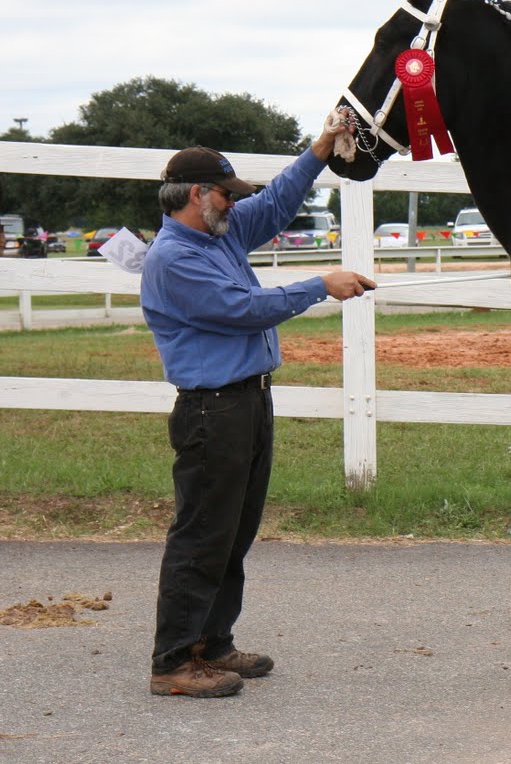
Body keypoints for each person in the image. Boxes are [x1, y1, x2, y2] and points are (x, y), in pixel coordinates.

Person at [141, 121, 375, 698]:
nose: (235, 202)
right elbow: (243, 308)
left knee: (233, 531)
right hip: (212, 411)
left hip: (244, 402)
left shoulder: (217, 232)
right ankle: (172, 661)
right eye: (226, 193)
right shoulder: (174, 257)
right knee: (202, 534)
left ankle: (212, 643)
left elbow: (273, 204)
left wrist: (319, 151)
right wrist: (321, 284)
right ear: (197, 195)